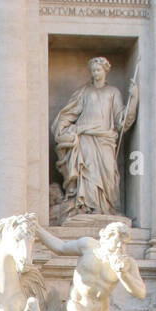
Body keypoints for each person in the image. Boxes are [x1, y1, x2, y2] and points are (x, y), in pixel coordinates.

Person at [51, 55, 138, 217]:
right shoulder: (84, 92)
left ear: (105, 71)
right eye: (93, 71)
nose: (95, 73)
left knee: (108, 174)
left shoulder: (113, 92)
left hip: (105, 139)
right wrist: (61, 128)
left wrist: (133, 98)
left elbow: (122, 120)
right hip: (85, 138)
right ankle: (86, 208)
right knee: (87, 172)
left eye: (98, 70)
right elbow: (69, 113)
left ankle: (105, 208)